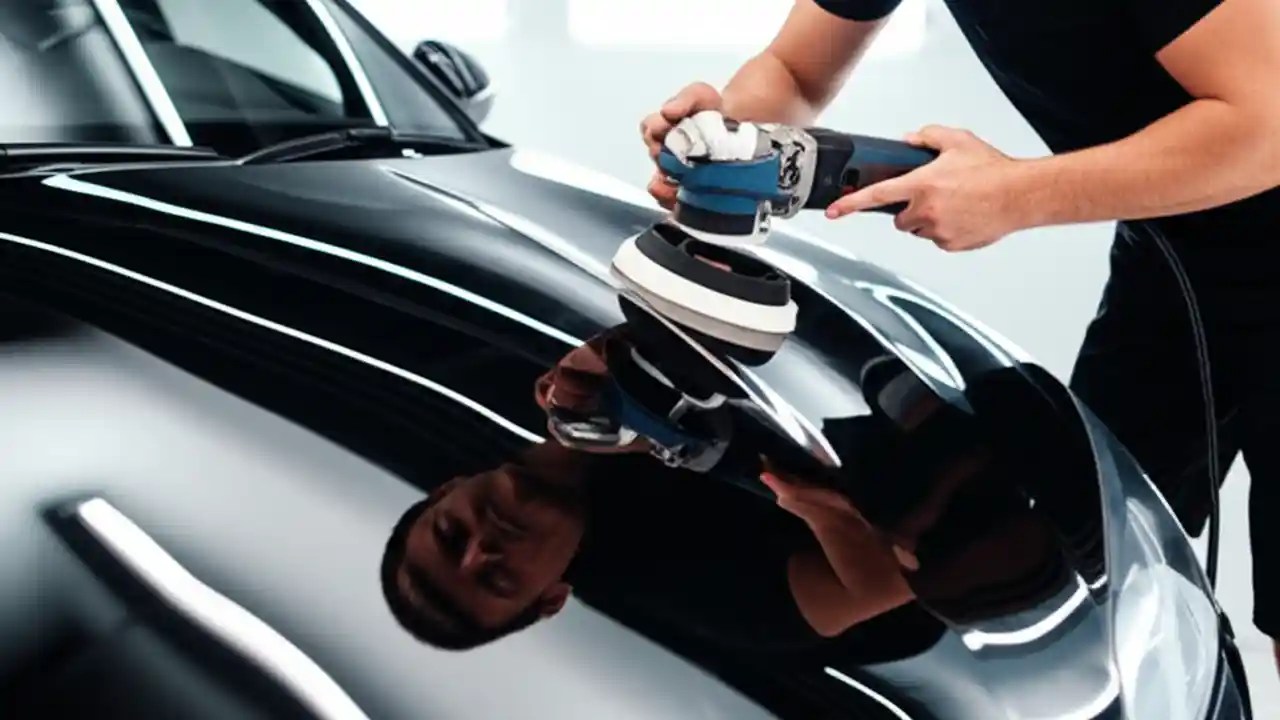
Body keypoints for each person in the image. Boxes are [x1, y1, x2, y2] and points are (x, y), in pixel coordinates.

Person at [640, 0, 1280, 673]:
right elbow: (794, 71)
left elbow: (1270, 123)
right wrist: (726, 140)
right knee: (1103, 571)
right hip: (1175, 261)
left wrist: (1015, 195)